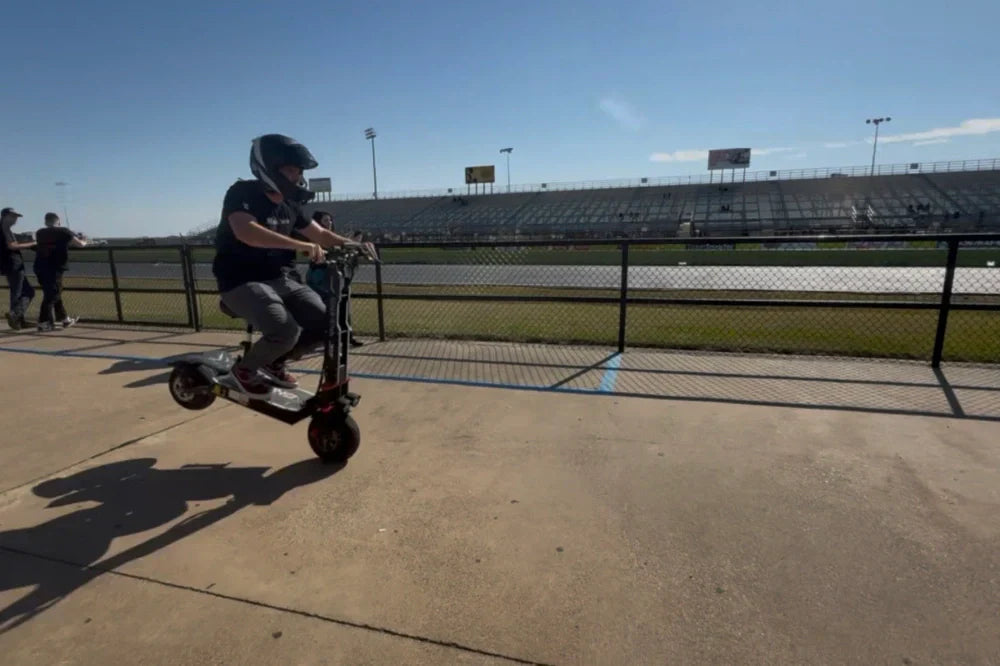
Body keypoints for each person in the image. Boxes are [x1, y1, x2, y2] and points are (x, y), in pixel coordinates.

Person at [212, 134, 373, 395]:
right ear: (268, 169)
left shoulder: (291, 205)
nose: (296, 177)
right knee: (284, 329)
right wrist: (298, 245)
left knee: (326, 323)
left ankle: (273, 362)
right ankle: (243, 371)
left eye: (298, 171)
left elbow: (321, 234)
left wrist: (354, 246)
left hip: (281, 278)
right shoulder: (242, 193)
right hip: (240, 280)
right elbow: (246, 231)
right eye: (289, 170)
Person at [305, 210, 363, 347]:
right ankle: (328, 337)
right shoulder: (314, 239)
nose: (329, 223)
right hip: (321, 277)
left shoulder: (335, 238)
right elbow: (313, 255)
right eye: (325, 220)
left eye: (330, 220)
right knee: (328, 309)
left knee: (343, 306)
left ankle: (347, 336)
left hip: (338, 276)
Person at [34, 212, 88, 331]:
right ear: (58, 221)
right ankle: (44, 322)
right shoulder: (63, 231)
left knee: (53, 292)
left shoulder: (39, 233)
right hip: (54, 267)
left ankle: (64, 319)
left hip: (40, 267)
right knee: (52, 294)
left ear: (45, 222)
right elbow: (80, 244)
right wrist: (84, 240)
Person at [1, 207, 37, 330]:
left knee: (18, 292)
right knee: (27, 292)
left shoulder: (5, 229)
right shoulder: (5, 229)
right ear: (5, 216)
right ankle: (15, 314)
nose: (16, 219)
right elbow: (12, 246)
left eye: (16, 216)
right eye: (13, 216)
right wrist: (32, 244)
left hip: (7, 264)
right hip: (14, 264)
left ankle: (18, 320)